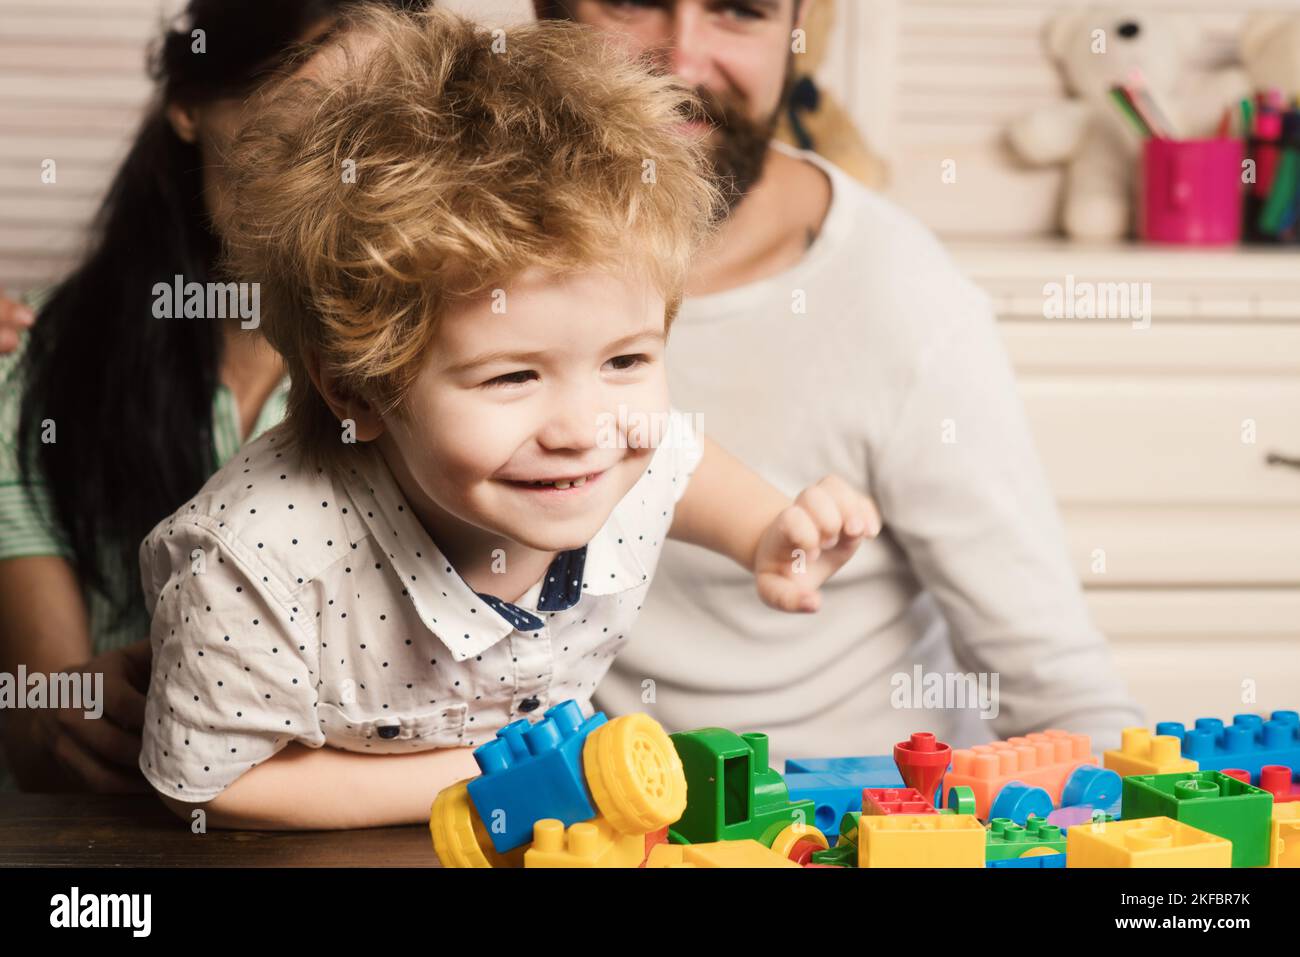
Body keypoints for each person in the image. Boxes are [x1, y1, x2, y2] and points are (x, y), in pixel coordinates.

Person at [138, 5, 879, 829]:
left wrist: (770, 531)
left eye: (625, 361)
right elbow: (211, 783)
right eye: (512, 376)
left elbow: (677, 459)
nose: (584, 426)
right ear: (357, 390)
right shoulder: (264, 557)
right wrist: (483, 776)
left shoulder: (611, 449)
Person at [538, 0, 1146, 761]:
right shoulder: (458, 263)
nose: (685, 59)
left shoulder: (901, 295)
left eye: (739, 12)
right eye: (634, 1)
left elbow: (1060, 688)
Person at [0, 0, 430, 794]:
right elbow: (34, 721)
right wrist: (74, 706)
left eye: (382, 127)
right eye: (304, 115)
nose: (338, 169)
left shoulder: (455, 364)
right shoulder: (34, 366)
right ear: (191, 106)